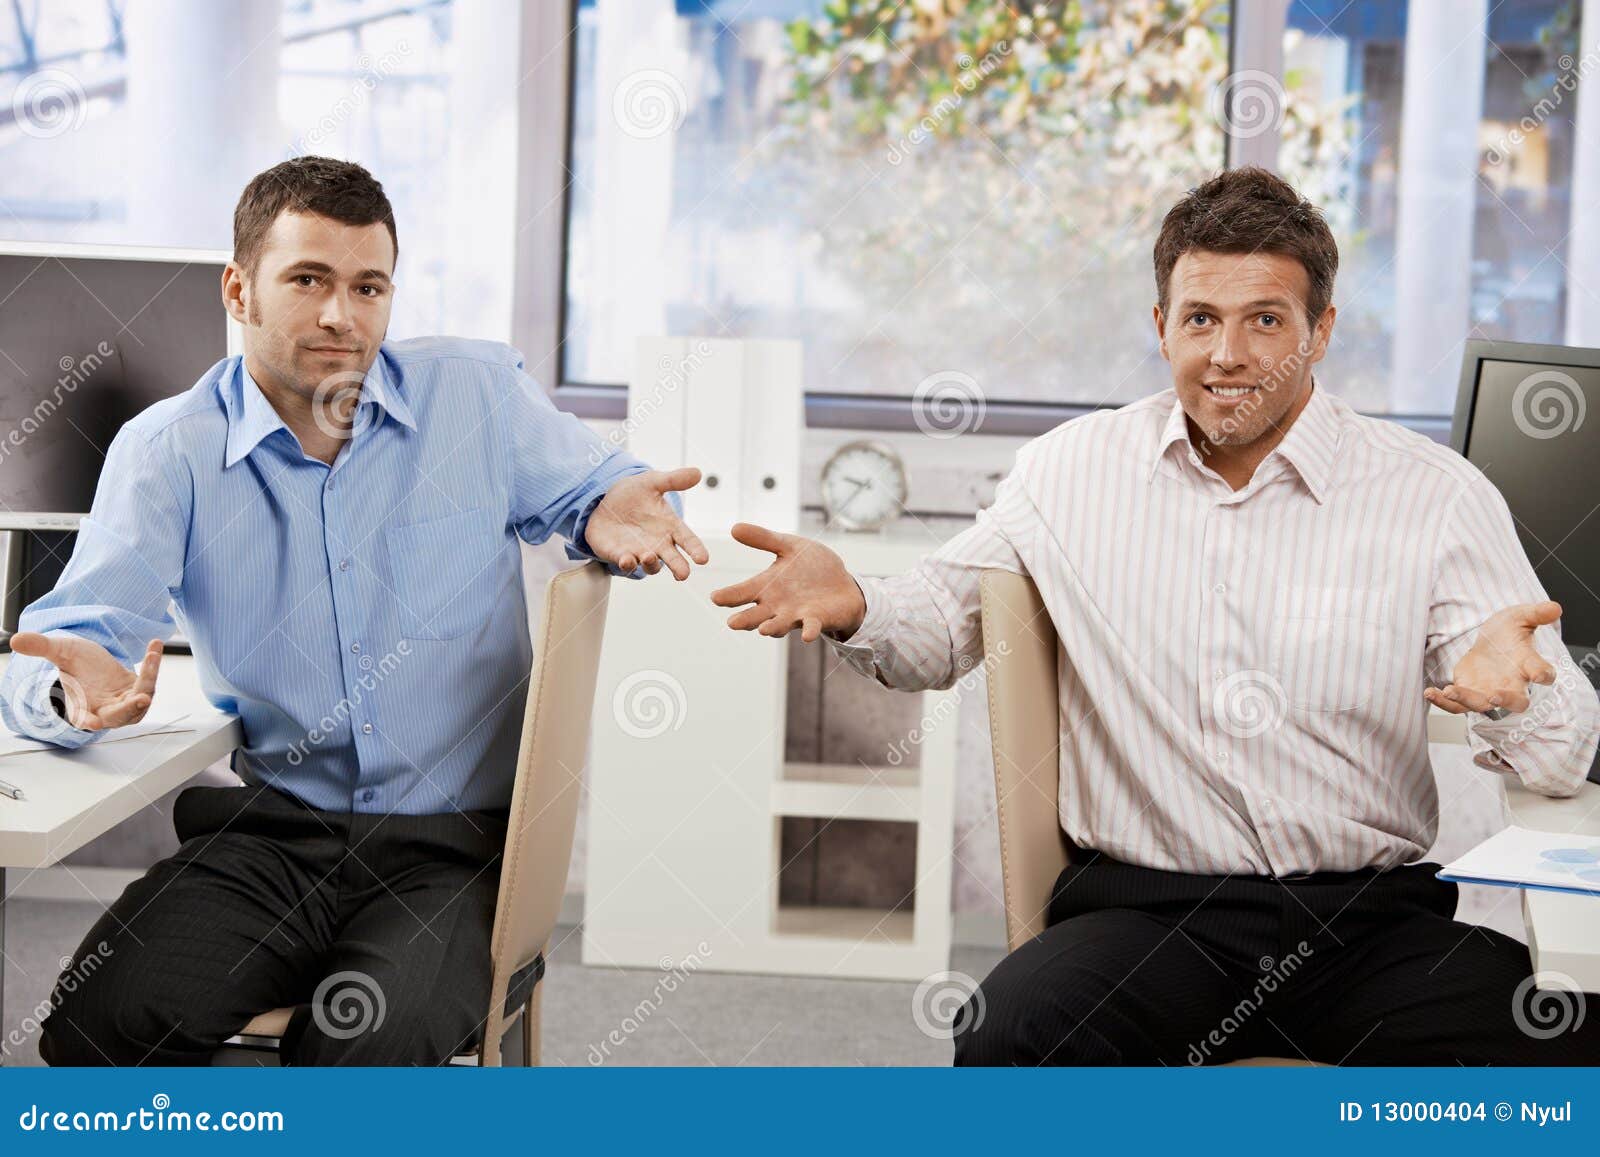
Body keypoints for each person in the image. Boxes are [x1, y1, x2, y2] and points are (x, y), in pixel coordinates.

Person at [710, 167, 1600, 1066]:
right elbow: (940, 624)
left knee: (1564, 1037)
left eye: (1266, 320)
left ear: (1321, 331)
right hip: (1149, 919)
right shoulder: (1070, 469)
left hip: (1367, 927)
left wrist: (1514, 698)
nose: (1228, 354)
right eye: (1201, 318)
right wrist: (858, 602)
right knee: (1012, 1031)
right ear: (1161, 325)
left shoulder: (1437, 495)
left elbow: (1564, 758)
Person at [0, 157, 707, 1065]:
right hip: (275, 835)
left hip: (455, 850)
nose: (342, 314)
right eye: (308, 280)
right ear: (239, 290)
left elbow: (607, 489)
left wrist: (612, 504)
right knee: (104, 1021)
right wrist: (70, 693)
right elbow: (71, 641)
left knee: (365, 1042)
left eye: (368, 287)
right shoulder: (169, 450)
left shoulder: (476, 396)